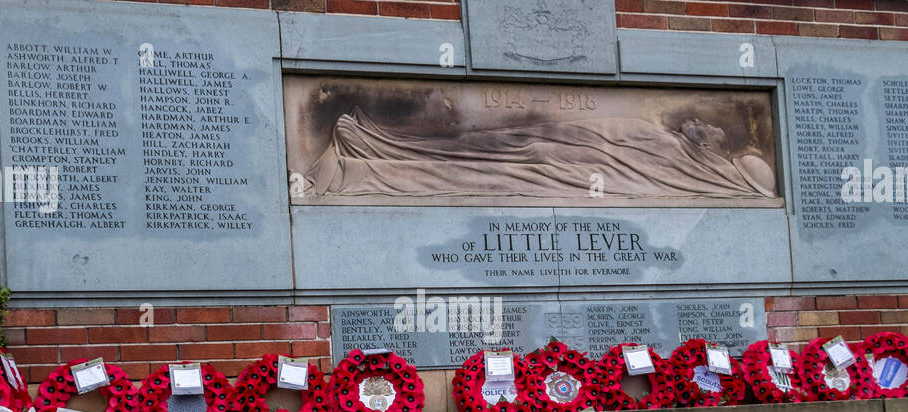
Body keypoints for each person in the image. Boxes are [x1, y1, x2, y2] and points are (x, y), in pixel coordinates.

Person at [299, 108, 778, 201]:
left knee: (481, 160)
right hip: (550, 141)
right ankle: (381, 143)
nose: (710, 126)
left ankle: (371, 158)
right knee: (488, 145)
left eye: (714, 134)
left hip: (549, 155)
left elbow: (611, 165)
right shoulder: (668, 142)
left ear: (712, 157)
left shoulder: (679, 160)